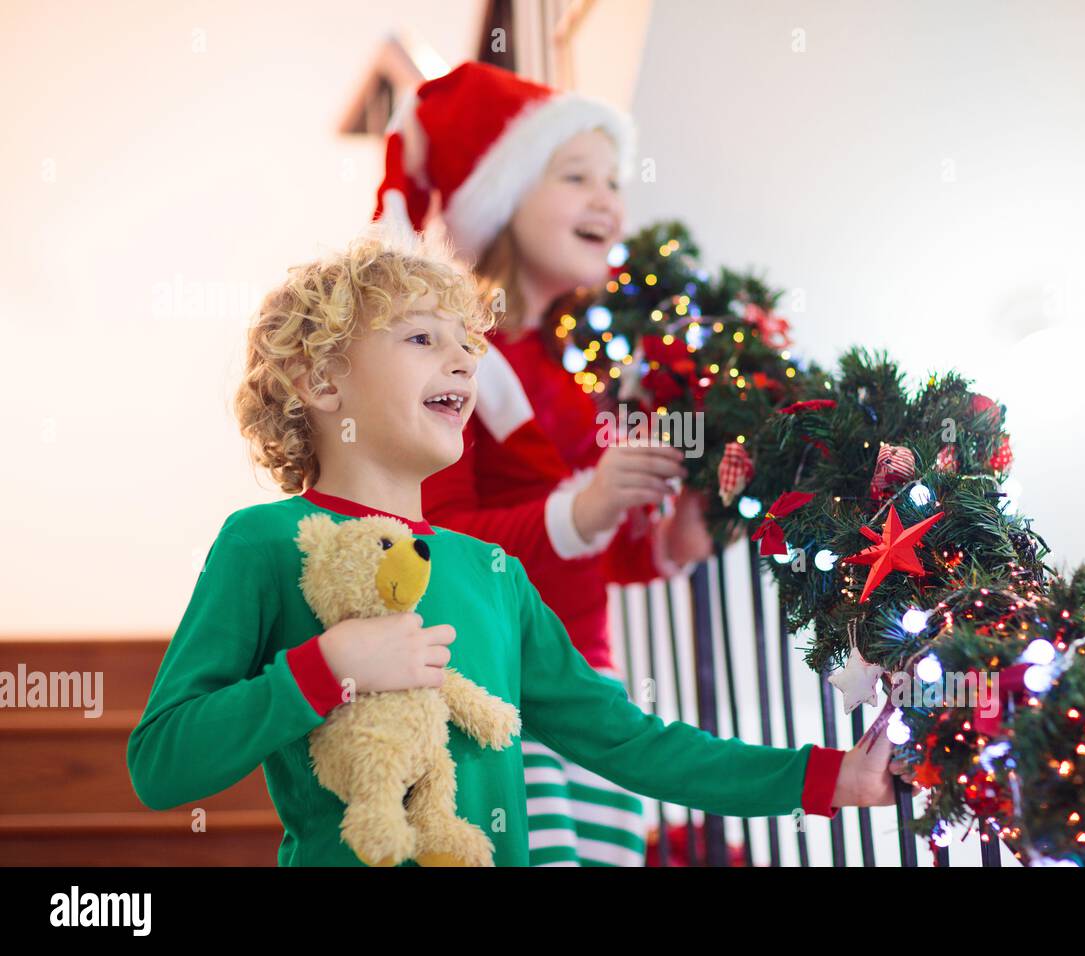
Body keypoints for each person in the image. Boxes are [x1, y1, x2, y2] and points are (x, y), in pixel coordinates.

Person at [125, 228, 913, 867]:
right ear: (324, 383)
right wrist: (325, 669)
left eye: (467, 343)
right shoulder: (262, 543)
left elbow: (629, 740)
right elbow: (162, 764)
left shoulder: (493, 572)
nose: (465, 359)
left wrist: (824, 776)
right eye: (423, 338)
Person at [373, 60, 720, 866]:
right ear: (501, 195)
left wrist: (668, 542)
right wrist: (581, 509)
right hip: (488, 686)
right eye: (575, 176)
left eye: (613, 179)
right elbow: (438, 540)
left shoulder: (576, 372)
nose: (608, 199)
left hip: (583, 686)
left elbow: (584, 548)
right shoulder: (449, 361)